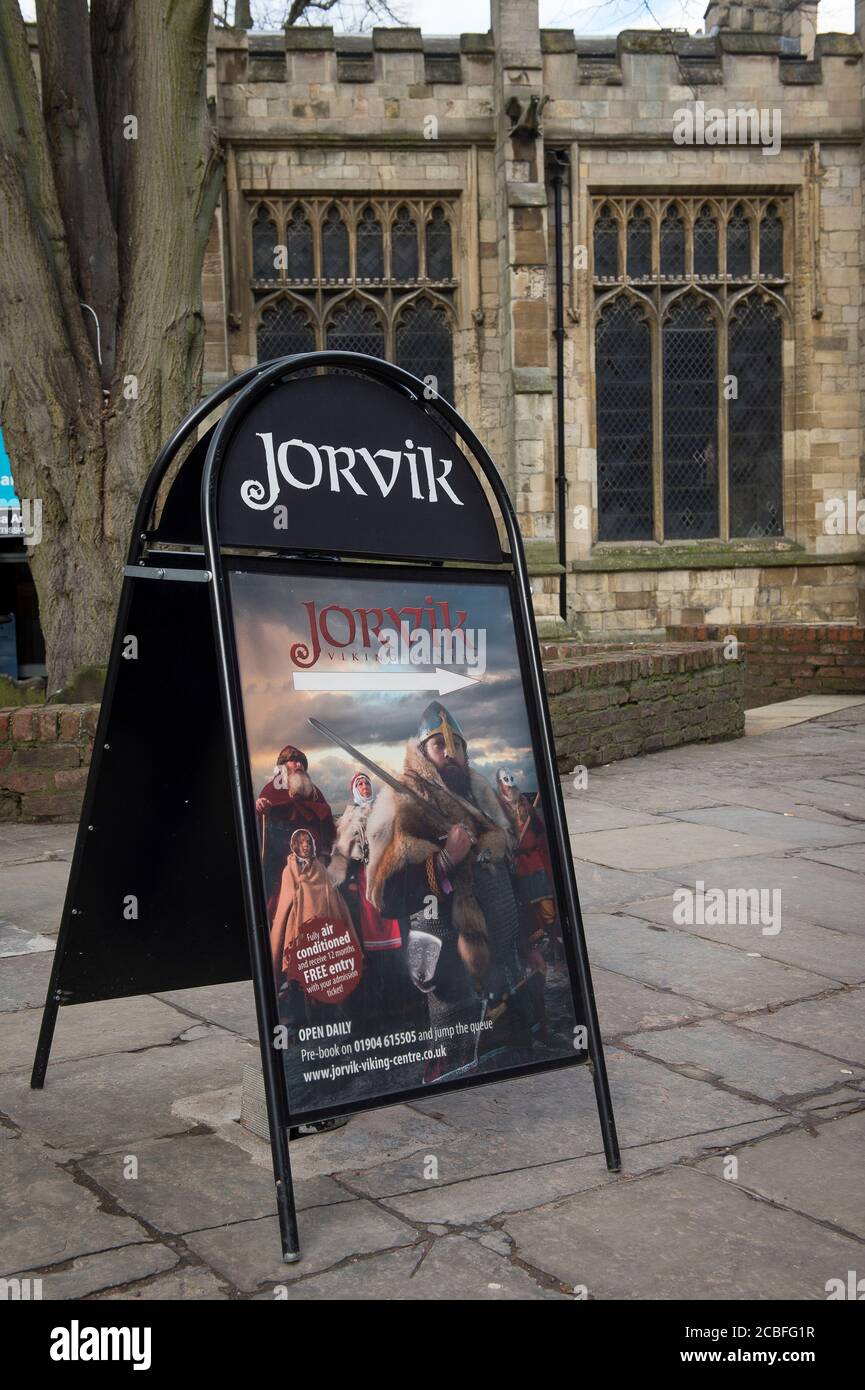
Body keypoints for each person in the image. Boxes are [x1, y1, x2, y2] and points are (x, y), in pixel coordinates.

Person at [366, 701, 533, 1080]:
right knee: (454, 1068)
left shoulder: (481, 797)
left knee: (514, 1065)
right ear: (423, 753)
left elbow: (509, 875)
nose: (451, 754)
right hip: (449, 973)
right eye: (440, 745)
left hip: (504, 964)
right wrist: (443, 862)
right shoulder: (401, 805)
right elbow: (386, 897)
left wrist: (528, 945)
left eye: (457, 744)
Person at [329, 772, 422, 1033]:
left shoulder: (385, 811)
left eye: (366, 783)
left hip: (388, 881)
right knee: (370, 955)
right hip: (362, 888)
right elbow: (342, 854)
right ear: (353, 789)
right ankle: (373, 1015)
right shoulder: (347, 818)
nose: (363, 786)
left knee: (398, 949)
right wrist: (348, 877)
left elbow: (397, 843)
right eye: (359, 783)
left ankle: (403, 1009)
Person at [256, 744, 336, 919]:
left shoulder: (314, 793)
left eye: (301, 761)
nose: (299, 764)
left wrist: (323, 855)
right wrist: (262, 807)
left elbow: (327, 824)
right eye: (293, 761)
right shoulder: (271, 790)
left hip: (314, 865)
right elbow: (265, 830)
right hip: (284, 866)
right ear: (283, 766)